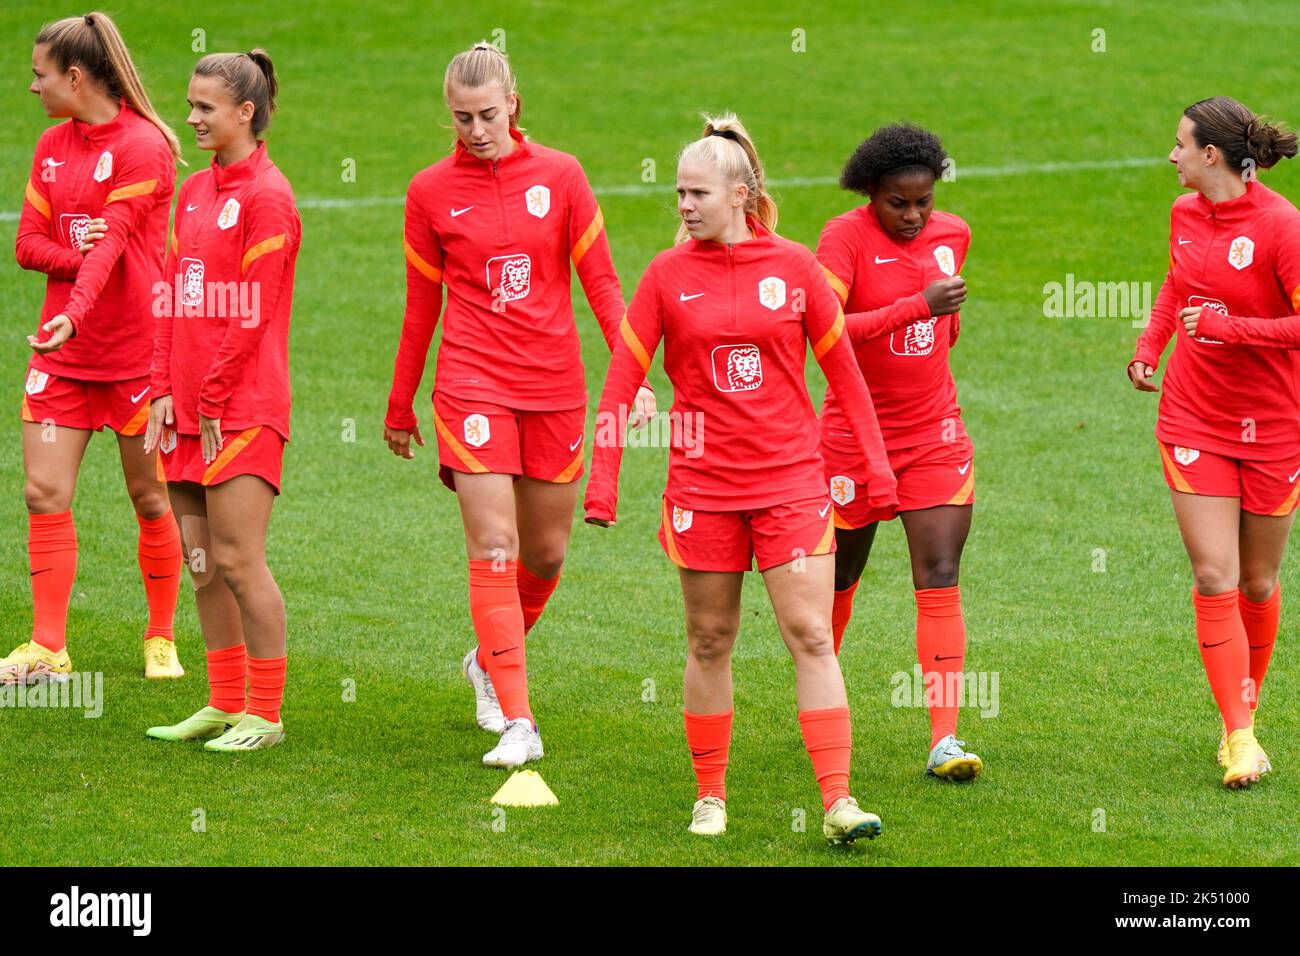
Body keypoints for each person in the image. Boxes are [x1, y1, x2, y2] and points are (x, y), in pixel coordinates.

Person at [584, 113, 897, 843]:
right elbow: (619, 383)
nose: (685, 206)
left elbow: (844, 377)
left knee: (811, 634)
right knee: (710, 639)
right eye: (679, 194)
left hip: (790, 482)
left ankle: (838, 802)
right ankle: (710, 795)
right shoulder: (665, 276)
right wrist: (602, 485)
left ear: (739, 195)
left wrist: (877, 473)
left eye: (697, 193)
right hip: (702, 491)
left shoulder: (794, 270)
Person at [383, 42, 654, 769]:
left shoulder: (562, 177)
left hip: (554, 388)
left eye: (488, 115)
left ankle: (485, 661)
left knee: (545, 552)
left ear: (515, 106)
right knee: (495, 547)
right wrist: (399, 402)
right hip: (471, 383)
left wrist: (635, 377)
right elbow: (421, 306)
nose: (475, 130)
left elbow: (601, 283)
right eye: (462, 118)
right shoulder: (429, 191)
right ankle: (519, 719)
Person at [6, 11, 183, 684]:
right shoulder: (52, 145)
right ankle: (49, 646)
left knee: (150, 497)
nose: (33, 87)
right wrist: (71, 268)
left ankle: (162, 636)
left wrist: (75, 307)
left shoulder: (144, 148)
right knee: (42, 491)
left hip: (136, 353)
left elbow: (110, 246)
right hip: (63, 352)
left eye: (39, 75)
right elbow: (27, 244)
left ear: (74, 76)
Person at [1129, 96, 1300, 789]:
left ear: (1210, 156)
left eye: (1179, 145)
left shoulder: (1282, 227)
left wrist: (1236, 330)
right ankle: (1238, 732)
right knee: (1214, 576)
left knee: (1257, 581)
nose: (1170, 156)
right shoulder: (1183, 214)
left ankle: (1244, 714)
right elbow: (1180, 282)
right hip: (1194, 417)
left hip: (1275, 424)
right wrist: (1151, 344)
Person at [142, 49, 300, 752]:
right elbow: (170, 298)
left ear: (246, 112)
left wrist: (207, 397)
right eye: (190, 103)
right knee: (202, 562)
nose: (192, 117)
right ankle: (223, 700)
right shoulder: (194, 191)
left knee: (238, 560)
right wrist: (160, 389)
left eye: (205, 107)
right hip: (188, 409)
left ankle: (265, 714)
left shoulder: (270, 196)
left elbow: (255, 312)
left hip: (241, 409)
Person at [815, 123, 982, 781]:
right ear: (871, 194)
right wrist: (916, 307)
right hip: (852, 441)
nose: (914, 216)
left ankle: (945, 739)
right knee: (838, 576)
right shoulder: (843, 238)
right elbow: (824, 331)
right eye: (898, 203)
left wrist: (934, 322)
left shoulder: (954, 235)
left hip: (934, 434)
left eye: (924, 202)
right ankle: (820, 706)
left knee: (938, 570)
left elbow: (949, 330)